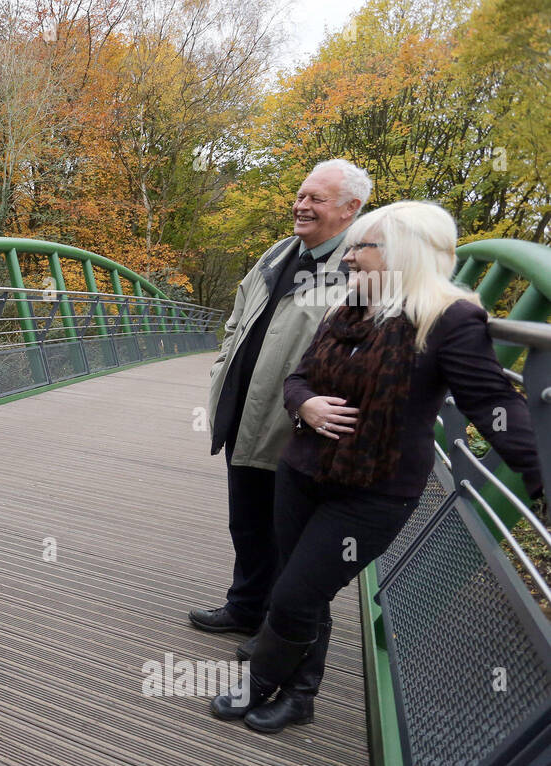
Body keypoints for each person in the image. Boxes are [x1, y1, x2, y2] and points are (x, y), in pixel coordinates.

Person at [210, 200, 544, 732]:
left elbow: (493, 405)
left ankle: (259, 682)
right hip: (301, 470)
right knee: (305, 593)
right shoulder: (349, 307)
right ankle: (300, 697)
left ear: (402, 254)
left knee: (297, 592)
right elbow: (298, 379)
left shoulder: (449, 318)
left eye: (361, 248)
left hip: (375, 489)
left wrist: (539, 474)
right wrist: (306, 405)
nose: (349, 259)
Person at [194, 159, 373, 643]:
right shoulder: (278, 253)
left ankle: (277, 632)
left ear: (350, 208)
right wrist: (223, 363)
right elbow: (238, 314)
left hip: (300, 425)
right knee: (247, 523)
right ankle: (245, 607)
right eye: (300, 195)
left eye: (316, 198)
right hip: (245, 411)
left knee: (289, 536)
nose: (301, 205)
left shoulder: (359, 267)